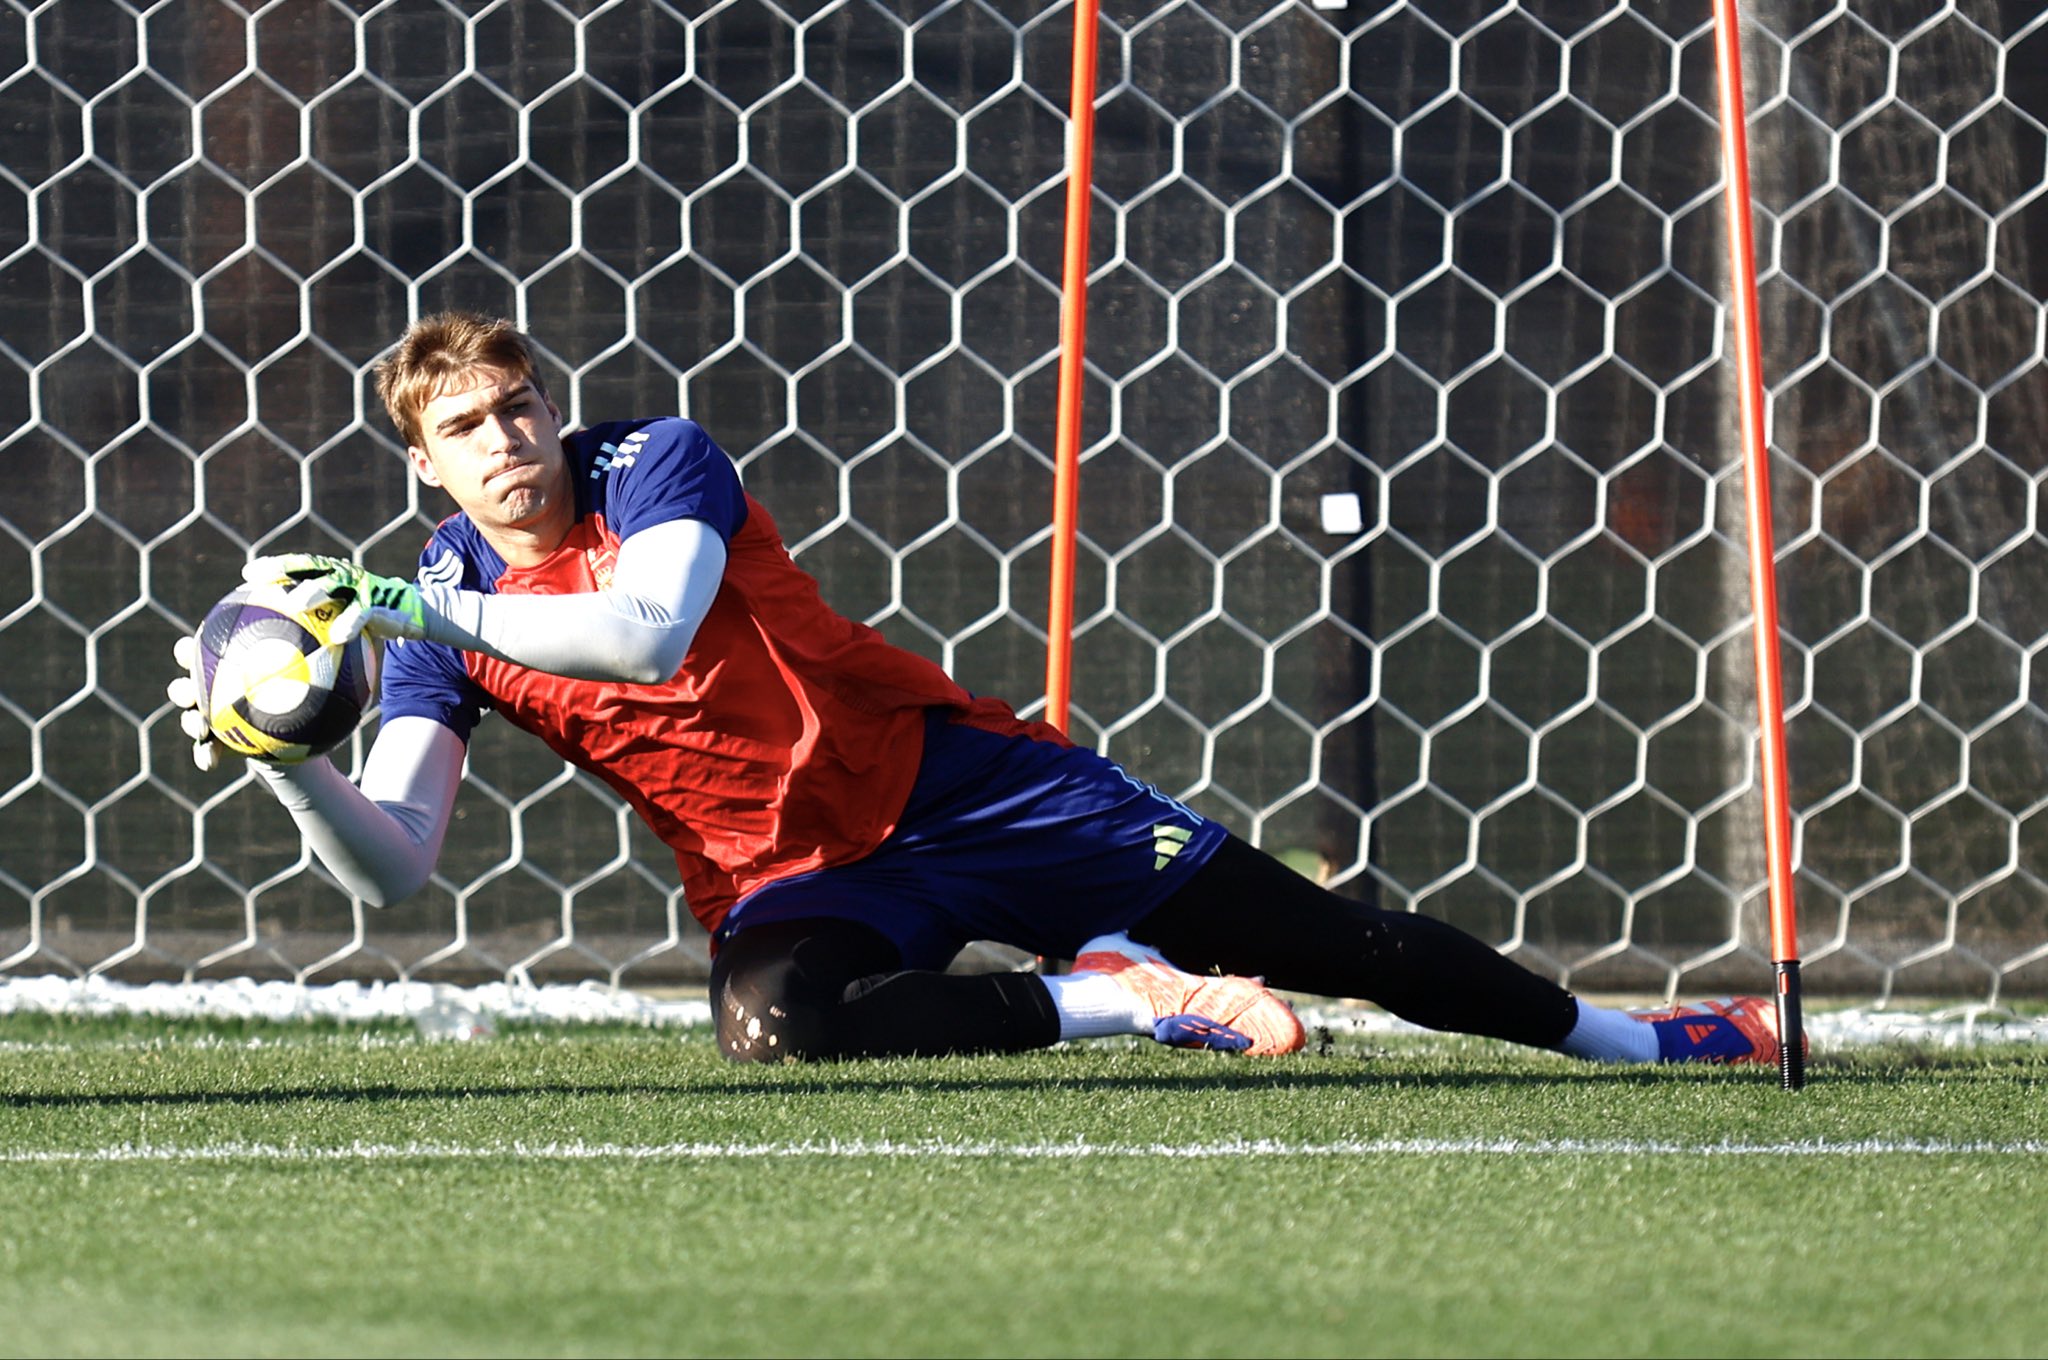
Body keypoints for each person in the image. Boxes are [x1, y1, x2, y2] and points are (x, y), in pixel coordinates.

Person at [168, 311, 1795, 1067]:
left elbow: (648, 637)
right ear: (425, 458)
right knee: (773, 1034)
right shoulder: (438, 624)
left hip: (962, 783)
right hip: (790, 871)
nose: (511, 440)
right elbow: (394, 862)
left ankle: (1643, 1042)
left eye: (519, 405)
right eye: (468, 427)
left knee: (1336, 942)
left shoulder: (653, 460)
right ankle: (1121, 996)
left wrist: (391, 600)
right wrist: (288, 749)